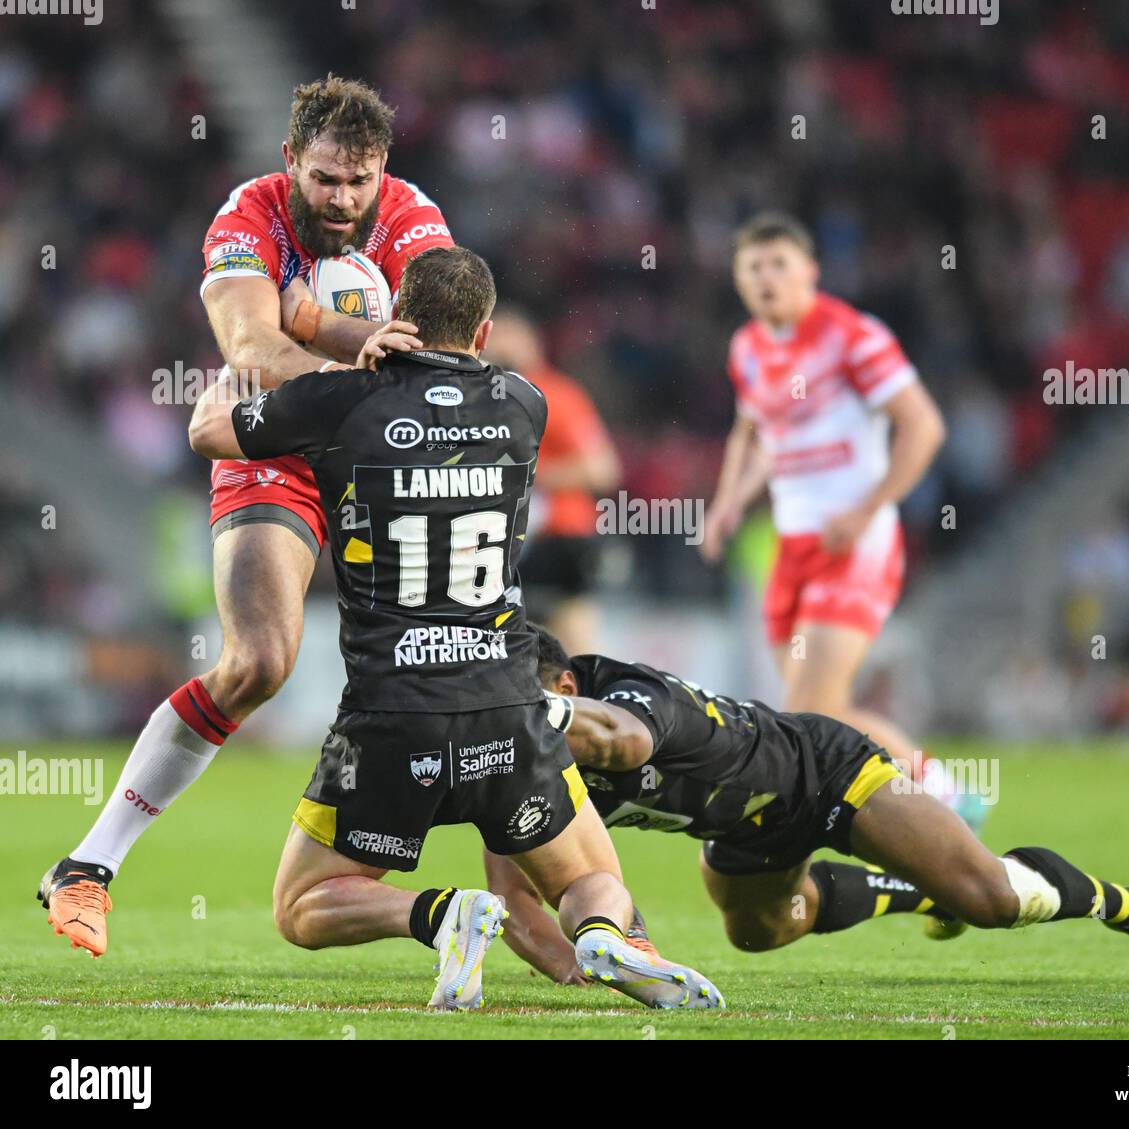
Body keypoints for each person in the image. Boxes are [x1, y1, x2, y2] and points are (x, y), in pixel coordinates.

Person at [185, 247, 724, 1011]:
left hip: (391, 718)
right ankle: (604, 931)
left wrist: (251, 353)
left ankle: (441, 914)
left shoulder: (340, 400)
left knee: (303, 905)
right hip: (507, 707)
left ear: (396, 319)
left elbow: (211, 434)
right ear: (485, 332)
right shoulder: (527, 404)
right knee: (590, 878)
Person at [40, 76, 456, 956]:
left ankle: (568, 909)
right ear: (290, 165)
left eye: (359, 180)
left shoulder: (414, 217)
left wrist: (314, 323)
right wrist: (350, 342)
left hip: (384, 454)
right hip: (277, 445)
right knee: (260, 660)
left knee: (478, 671)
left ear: (383, 171)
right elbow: (250, 350)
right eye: (324, 179)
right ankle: (87, 865)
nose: (343, 200)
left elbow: (436, 344)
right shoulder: (246, 216)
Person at [485, 627, 1129, 980]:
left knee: (989, 897)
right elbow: (512, 889)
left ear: (562, 690)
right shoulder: (525, 761)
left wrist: (532, 721)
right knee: (759, 932)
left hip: (823, 771)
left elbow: (626, 742)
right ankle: (912, 888)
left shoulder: (627, 695)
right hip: (744, 836)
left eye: (520, 710)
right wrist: (587, 970)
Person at [699, 213, 946, 784]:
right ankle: (940, 787)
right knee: (818, 712)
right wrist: (727, 503)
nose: (766, 277)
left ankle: (932, 802)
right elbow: (754, 431)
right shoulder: (748, 348)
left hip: (856, 543)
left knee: (810, 708)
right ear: (738, 279)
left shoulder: (852, 335)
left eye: (779, 264)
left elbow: (924, 426)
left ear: (810, 271)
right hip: (793, 546)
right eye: (753, 267)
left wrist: (865, 510)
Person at [486, 307, 620, 655]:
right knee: (529, 647)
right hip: (508, 539)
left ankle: (601, 705)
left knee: (572, 641)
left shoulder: (554, 394)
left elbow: (601, 468)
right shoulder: (485, 395)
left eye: (506, 336)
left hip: (560, 537)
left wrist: (527, 475)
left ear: (532, 344)